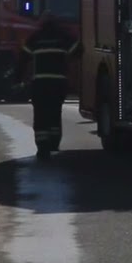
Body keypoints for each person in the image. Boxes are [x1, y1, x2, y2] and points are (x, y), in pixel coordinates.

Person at [17, 12, 79, 160]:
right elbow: (79, 50)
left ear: (41, 23)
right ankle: (54, 143)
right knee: (55, 113)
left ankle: (42, 148)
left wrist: (17, 79)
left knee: (40, 115)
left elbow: (23, 58)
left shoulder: (35, 37)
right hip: (58, 82)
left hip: (40, 83)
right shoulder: (63, 36)